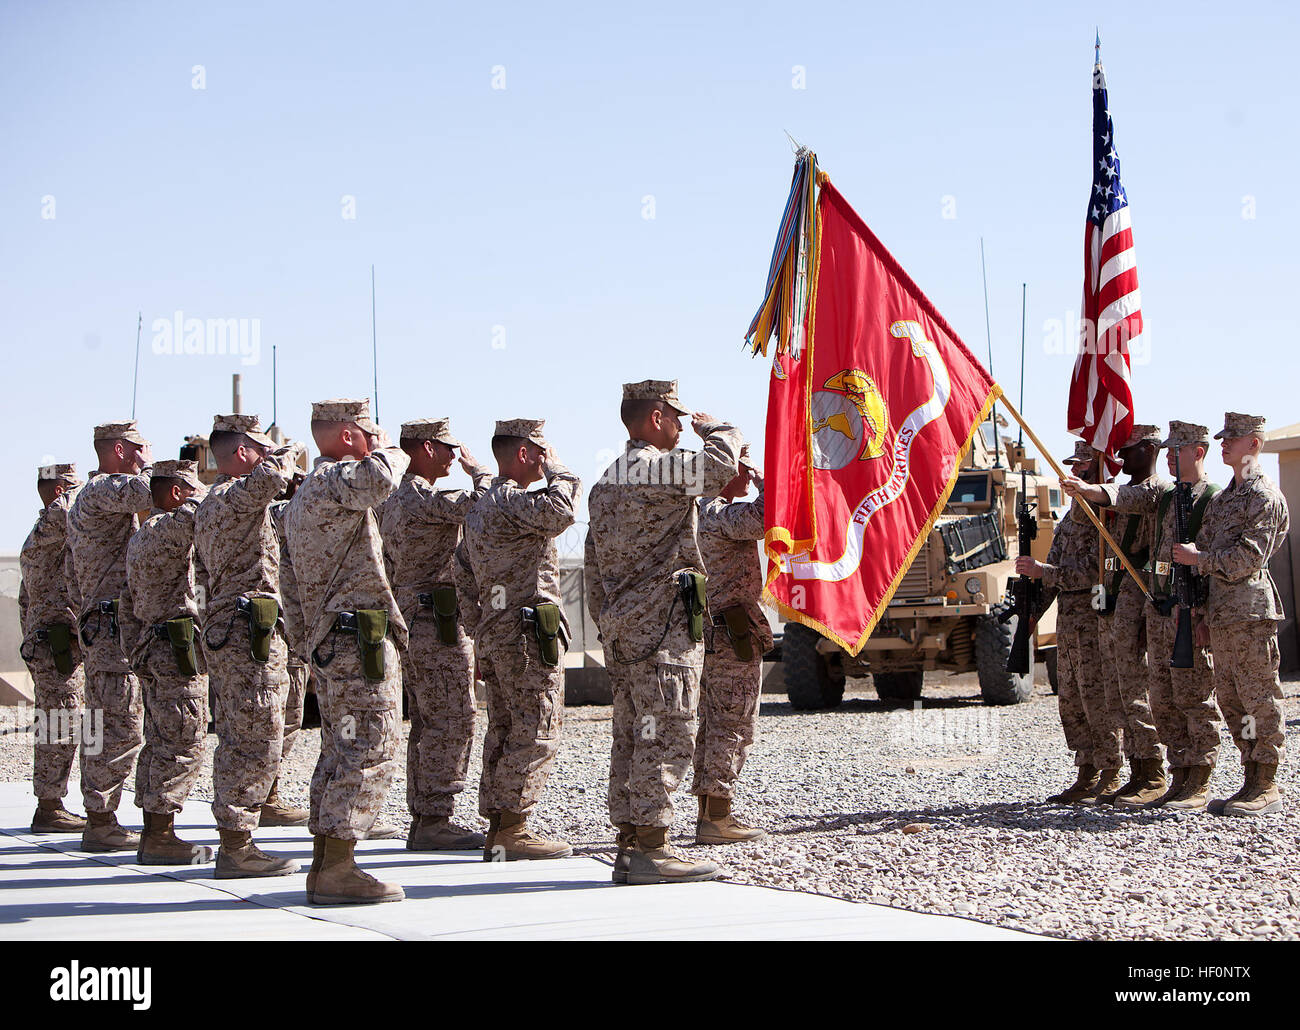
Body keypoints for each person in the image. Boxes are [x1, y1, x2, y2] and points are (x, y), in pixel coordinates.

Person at [586, 379, 740, 884]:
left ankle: (631, 844)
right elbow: (720, 468)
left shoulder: (607, 480)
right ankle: (654, 848)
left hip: (626, 631)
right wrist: (716, 427)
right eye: (676, 415)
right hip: (662, 633)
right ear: (656, 418)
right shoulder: (652, 467)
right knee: (668, 731)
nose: (681, 424)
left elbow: (591, 566)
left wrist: (610, 622)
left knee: (632, 734)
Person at [283, 398, 408, 904]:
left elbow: (289, 583)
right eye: (367, 433)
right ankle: (337, 867)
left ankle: (326, 863)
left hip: (330, 639)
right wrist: (389, 446)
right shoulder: (336, 481)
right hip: (358, 641)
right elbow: (381, 478)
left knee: (338, 748)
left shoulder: (300, 500)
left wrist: (307, 639)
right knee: (371, 747)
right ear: (353, 436)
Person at [1064, 421, 1222, 809]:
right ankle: (1156, 771)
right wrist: (1087, 489)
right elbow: (1117, 502)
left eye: (1128, 450)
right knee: (1135, 690)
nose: (1119, 458)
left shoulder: (1181, 494)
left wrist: (1201, 612)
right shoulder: (1167, 497)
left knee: (1178, 691)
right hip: (1148, 598)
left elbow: (1131, 502)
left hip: (1177, 601)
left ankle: (1178, 773)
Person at [456, 419, 580, 861]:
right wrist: (561, 471)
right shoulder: (513, 502)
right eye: (542, 450)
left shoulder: (481, 507)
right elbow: (562, 511)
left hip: (498, 633)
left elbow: (462, 576)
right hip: (527, 635)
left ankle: (499, 826)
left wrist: (481, 625)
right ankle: (512, 826)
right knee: (537, 729)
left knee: (506, 727)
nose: (547, 457)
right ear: (527, 454)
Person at [195, 414, 306, 878]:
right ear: (242, 454)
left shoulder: (212, 505)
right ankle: (236, 847)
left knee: (245, 735)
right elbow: (275, 475)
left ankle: (237, 839)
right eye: (257, 448)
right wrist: (293, 447)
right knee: (255, 737)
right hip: (248, 636)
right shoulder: (235, 497)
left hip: (234, 630)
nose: (266, 456)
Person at [380, 418, 491, 851]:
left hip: (418, 616)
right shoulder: (420, 495)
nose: (453, 455)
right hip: (435, 621)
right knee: (452, 716)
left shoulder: (394, 495)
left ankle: (426, 814)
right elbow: (484, 505)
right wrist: (478, 471)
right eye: (448, 448)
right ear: (426, 448)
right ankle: (433, 819)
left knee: (428, 720)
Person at [1174, 412, 1289, 816]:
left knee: (1259, 696)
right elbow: (1207, 554)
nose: (1224, 445)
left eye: (1233, 439)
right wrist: (1203, 614)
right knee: (1232, 700)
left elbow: (1247, 559)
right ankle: (1249, 774)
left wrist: (1199, 559)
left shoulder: (1265, 498)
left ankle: (1266, 782)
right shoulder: (1223, 501)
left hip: (1251, 613)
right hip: (1222, 615)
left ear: (1254, 444)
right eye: (1223, 439)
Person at [1016, 440, 1122, 804]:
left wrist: (1045, 571)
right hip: (1069, 620)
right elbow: (1053, 575)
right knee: (1072, 699)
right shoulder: (1070, 517)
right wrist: (1032, 615)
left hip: (1095, 618)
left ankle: (1110, 769)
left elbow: (1097, 573)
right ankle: (1086, 768)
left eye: (1082, 466)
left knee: (1098, 698)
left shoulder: (1104, 516)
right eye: (1073, 466)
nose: (1074, 471)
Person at [119, 460, 213, 864]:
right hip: (175, 651)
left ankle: (154, 830)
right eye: (190, 489)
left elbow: (127, 603)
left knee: (160, 739)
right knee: (183, 741)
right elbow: (207, 511)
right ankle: (161, 834)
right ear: (176, 494)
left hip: (153, 647)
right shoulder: (172, 527)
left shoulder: (140, 535)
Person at [65, 421, 152, 851]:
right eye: (138, 449)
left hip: (109, 624)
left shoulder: (96, 495)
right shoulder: (104, 490)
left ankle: (100, 816)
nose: (143, 457)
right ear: (118, 449)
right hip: (111, 627)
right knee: (118, 724)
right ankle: (100, 820)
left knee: (111, 721)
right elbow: (155, 493)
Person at [692, 443, 769, 844]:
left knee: (713, 722)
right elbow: (768, 517)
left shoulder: (695, 512)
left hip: (710, 632)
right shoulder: (718, 514)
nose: (747, 469)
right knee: (733, 723)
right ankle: (716, 818)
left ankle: (710, 811)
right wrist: (765, 481)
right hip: (730, 633)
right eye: (742, 463)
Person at [1092, 425, 1167, 805]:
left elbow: (1119, 497)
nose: (1122, 456)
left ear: (1151, 449)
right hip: (1116, 596)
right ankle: (1137, 768)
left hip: (1138, 595)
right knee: (1118, 689)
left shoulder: (1154, 490)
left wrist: (1087, 489)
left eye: (1130, 449)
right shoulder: (1127, 491)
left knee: (1136, 687)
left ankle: (1153, 771)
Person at [20, 463, 87, 833]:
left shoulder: (39, 531)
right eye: (74, 488)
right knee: (59, 723)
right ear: (61, 489)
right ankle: (49, 807)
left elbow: (23, 601)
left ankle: (51, 803)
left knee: (61, 721)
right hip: (57, 644)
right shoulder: (53, 524)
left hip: (50, 642)